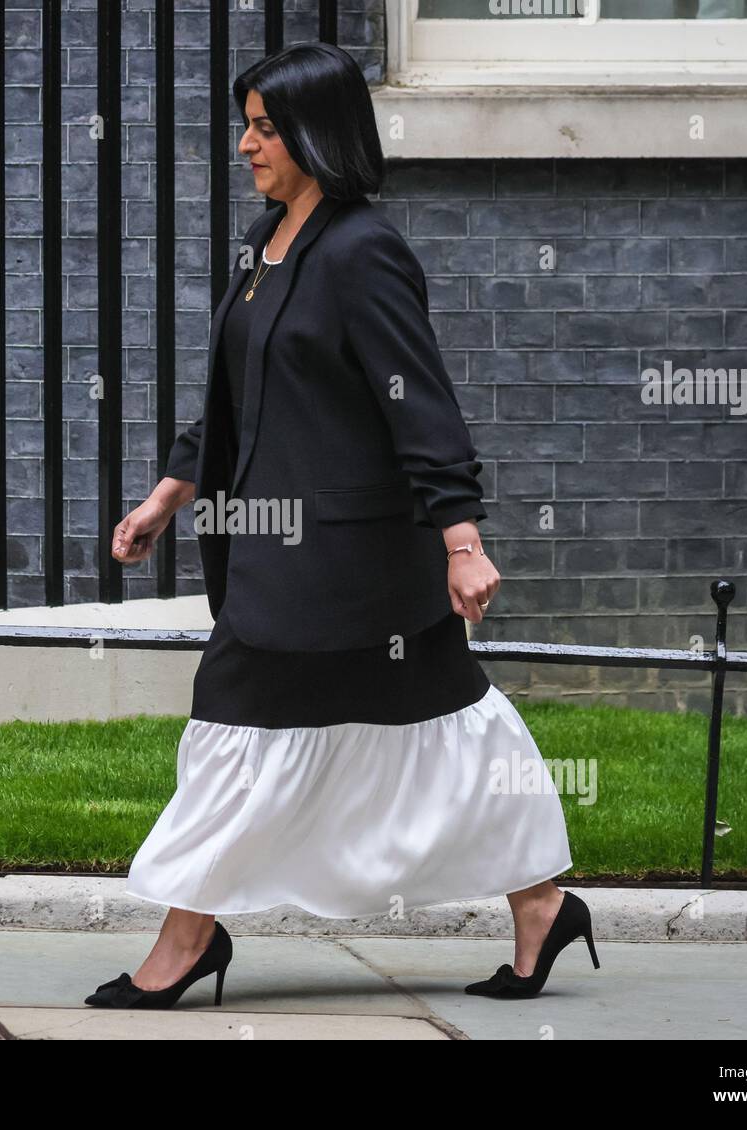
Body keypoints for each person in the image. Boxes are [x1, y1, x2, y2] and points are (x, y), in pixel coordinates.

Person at [84, 42, 598, 1010]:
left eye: (264, 128)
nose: (245, 145)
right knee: (438, 722)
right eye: (244, 125)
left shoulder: (364, 252)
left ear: (317, 132)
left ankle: (185, 939)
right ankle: (541, 903)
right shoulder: (265, 243)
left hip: (355, 559)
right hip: (282, 550)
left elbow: (423, 406)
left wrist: (460, 537)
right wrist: (170, 489)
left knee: (240, 709)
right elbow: (235, 394)